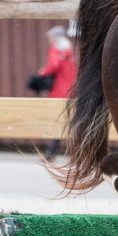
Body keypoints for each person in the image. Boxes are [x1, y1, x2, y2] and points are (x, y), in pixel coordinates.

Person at [38, 25, 77, 160]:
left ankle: (51, 152)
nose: (49, 40)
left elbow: (53, 66)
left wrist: (42, 72)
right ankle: (73, 152)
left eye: (51, 38)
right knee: (69, 120)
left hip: (59, 90)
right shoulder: (69, 50)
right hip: (71, 89)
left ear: (55, 37)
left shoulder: (56, 49)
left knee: (59, 121)